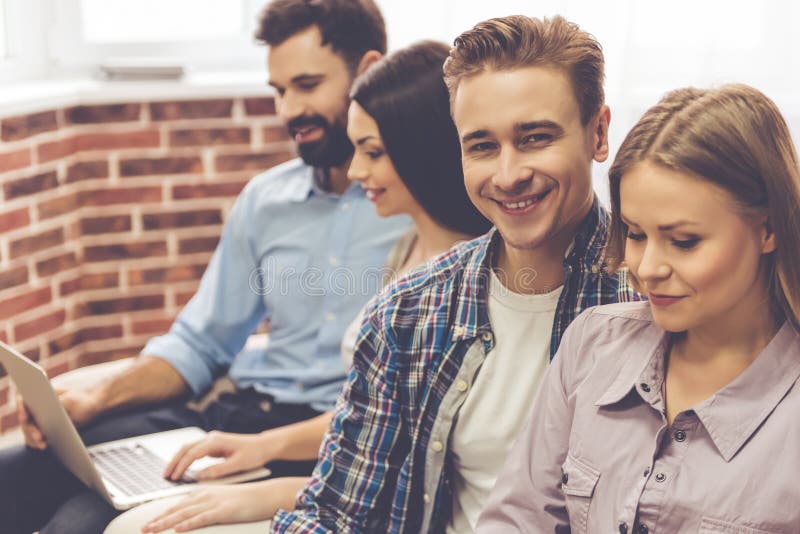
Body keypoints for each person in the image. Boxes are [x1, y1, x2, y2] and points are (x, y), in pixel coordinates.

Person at [0, 1, 411, 533]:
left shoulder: (416, 205)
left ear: (369, 70)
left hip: (316, 442)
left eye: (307, 85)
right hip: (235, 414)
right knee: (13, 473)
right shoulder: (266, 200)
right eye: (279, 91)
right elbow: (200, 343)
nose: (288, 111)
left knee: (78, 522)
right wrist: (95, 397)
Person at [273, 15, 638, 534]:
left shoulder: (655, 303)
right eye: (482, 146)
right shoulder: (407, 312)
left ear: (598, 133)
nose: (508, 175)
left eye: (534, 138)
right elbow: (332, 512)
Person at [109, 39, 491, 534]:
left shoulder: (452, 284)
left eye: (371, 152)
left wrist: (259, 493)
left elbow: (400, 465)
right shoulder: (408, 247)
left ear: (417, 149)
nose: (354, 171)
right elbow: (368, 423)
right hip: (301, 449)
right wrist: (262, 446)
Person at [477, 84, 800, 533]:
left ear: (768, 230)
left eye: (684, 242)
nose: (646, 269)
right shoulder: (592, 343)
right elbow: (518, 518)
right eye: (635, 233)